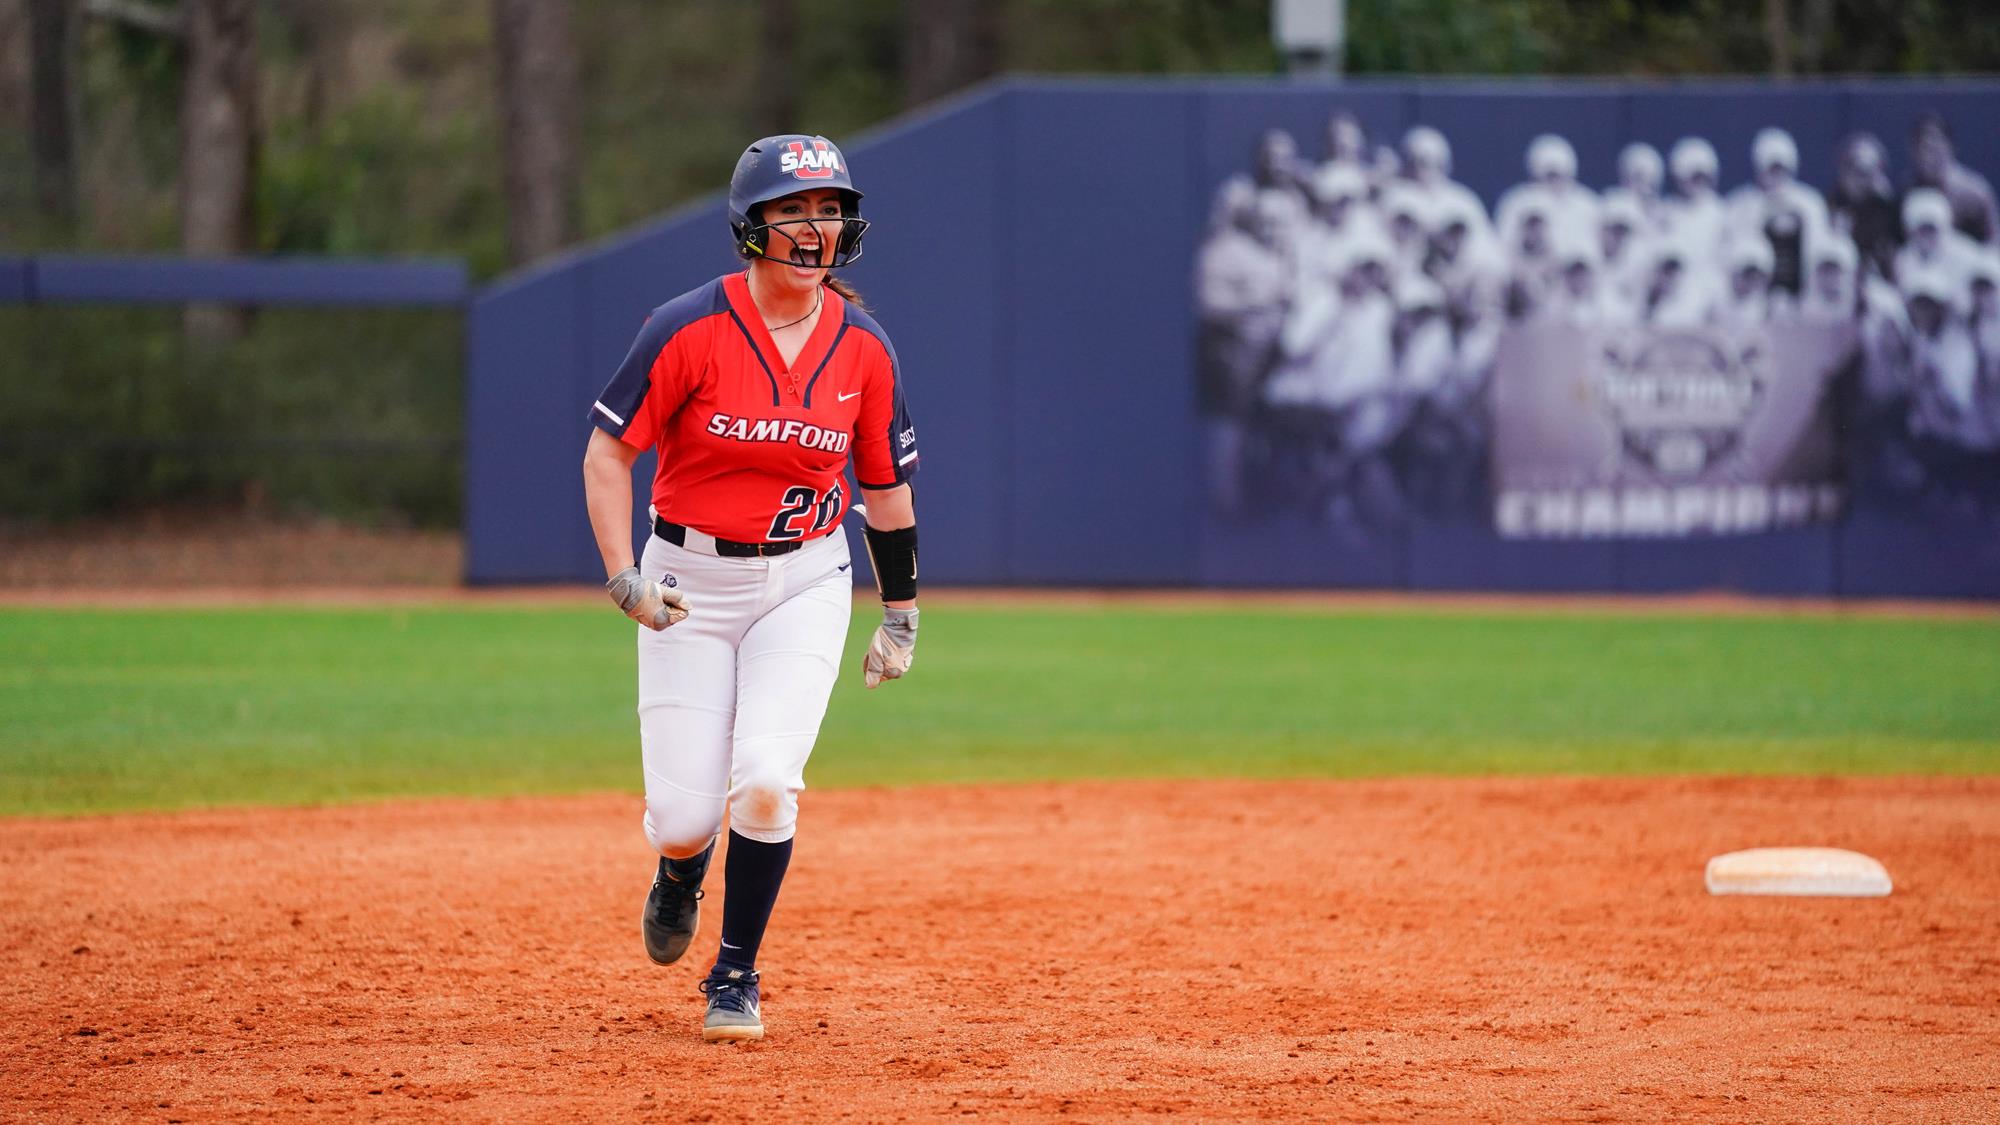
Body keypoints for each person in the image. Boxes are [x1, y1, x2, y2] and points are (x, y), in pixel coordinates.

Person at [579, 133, 922, 1044]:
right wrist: (625, 576)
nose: (816, 229)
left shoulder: (865, 350)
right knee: (686, 816)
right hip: (686, 583)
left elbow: (886, 491)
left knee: (767, 784)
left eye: (830, 209)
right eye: (794, 211)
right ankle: (681, 870)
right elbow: (610, 451)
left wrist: (902, 611)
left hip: (806, 577)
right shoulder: (688, 326)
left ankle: (735, 975)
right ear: (752, 226)